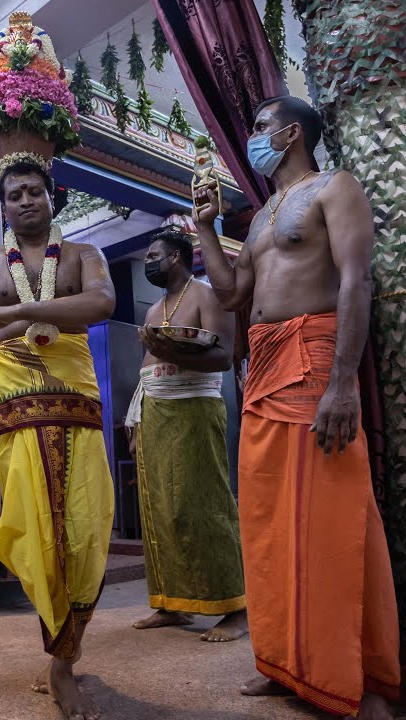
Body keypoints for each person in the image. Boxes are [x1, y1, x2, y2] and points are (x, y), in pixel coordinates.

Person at [192, 95, 399, 720]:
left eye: (258, 127)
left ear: (289, 132)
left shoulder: (335, 188)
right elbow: (232, 296)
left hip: (316, 357)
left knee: (330, 519)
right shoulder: (258, 219)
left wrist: (343, 385)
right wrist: (205, 228)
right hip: (263, 367)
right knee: (267, 522)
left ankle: (353, 675)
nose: (252, 139)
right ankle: (284, 661)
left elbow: (356, 281)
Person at [0, 160, 115, 720]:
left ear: (51, 198)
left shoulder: (83, 256)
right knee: (39, 538)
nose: (24, 200)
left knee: (85, 533)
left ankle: (66, 653)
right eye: (14, 194)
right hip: (16, 413)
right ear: (3, 207)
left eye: (34, 191)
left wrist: (16, 313)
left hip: (77, 408)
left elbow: (100, 305)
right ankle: (63, 665)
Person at [123, 229, 248, 642]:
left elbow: (223, 356)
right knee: (161, 510)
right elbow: (148, 363)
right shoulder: (154, 309)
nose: (149, 263)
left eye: (154, 256)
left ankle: (235, 609)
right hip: (154, 410)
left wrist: (171, 351)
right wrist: (136, 417)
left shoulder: (205, 295)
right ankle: (171, 604)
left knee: (204, 504)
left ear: (176, 257)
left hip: (194, 407)